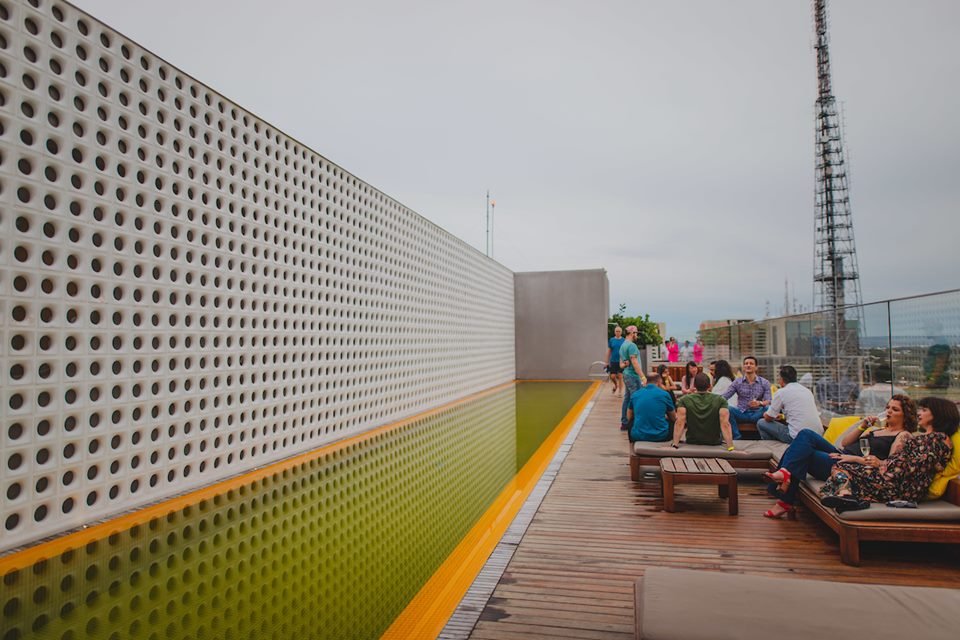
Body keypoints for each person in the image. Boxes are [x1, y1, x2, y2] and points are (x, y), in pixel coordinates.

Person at [761, 395, 918, 518]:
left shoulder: (903, 435)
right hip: (842, 455)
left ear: (906, 415)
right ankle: (785, 481)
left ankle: (784, 491)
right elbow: (845, 442)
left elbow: (892, 465)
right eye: (888, 407)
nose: (889, 411)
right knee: (805, 435)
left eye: (895, 409)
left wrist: (854, 459)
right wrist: (863, 426)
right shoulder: (875, 430)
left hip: (851, 468)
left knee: (800, 452)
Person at [818, 396, 957, 511]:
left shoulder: (937, 439)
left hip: (901, 487)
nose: (919, 413)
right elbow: (906, 462)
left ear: (937, 415)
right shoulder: (929, 438)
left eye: (924, 410)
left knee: (841, 468)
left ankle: (846, 496)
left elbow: (913, 466)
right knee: (841, 470)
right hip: (898, 482)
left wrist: (880, 465)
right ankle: (847, 497)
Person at [756, 365, 822, 444]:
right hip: (818, 436)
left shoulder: (781, 392)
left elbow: (768, 418)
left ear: (781, 379)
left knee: (761, 422)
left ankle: (771, 446)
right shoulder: (807, 391)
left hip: (796, 437)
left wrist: (765, 414)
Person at [671, 373, 734, 449]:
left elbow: (680, 422)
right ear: (710, 386)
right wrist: (730, 447)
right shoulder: (721, 400)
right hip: (714, 442)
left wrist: (675, 445)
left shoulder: (684, 400)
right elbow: (725, 424)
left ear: (694, 386)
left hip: (692, 441)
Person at [720, 356, 771, 439]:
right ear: (743, 367)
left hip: (757, 413)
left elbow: (768, 400)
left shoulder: (764, 382)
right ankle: (737, 437)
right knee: (728, 409)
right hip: (741, 413)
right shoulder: (737, 382)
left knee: (769, 408)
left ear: (756, 367)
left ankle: (765, 438)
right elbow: (725, 396)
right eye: (746, 364)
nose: (748, 365)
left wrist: (759, 403)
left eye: (751, 364)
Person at [626, 373, 676, 443]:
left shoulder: (635, 394)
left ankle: (631, 449)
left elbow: (628, 417)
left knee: (631, 422)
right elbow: (673, 417)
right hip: (661, 435)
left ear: (646, 381)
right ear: (659, 382)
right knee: (674, 423)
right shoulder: (665, 394)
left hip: (638, 436)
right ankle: (673, 445)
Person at [619, 326, 646, 431]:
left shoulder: (623, 345)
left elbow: (621, 364)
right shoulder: (632, 346)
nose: (637, 335)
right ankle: (635, 423)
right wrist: (642, 376)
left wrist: (625, 365)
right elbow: (635, 362)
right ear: (631, 333)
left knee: (627, 399)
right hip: (633, 376)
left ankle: (624, 422)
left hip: (626, 374)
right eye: (636, 333)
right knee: (637, 399)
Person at [606, 326, 625, 396]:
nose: (618, 332)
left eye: (619, 331)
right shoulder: (611, 340)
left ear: (621, 332)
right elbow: (609, 351)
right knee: (612, 376)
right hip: (613, 361)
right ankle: (616, 385)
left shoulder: (623, 340)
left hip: (621, 361)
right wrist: (606, 361)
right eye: (616, 331)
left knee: (620, 376)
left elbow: (625, 350)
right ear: (614, 332)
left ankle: (620, 392)